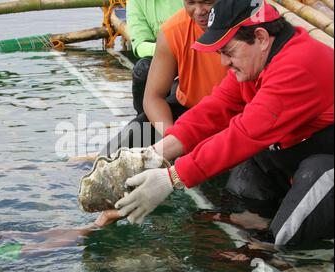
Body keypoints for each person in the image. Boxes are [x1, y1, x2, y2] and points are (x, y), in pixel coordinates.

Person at [115, 0, 334, 246]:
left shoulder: (298, 65)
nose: (223, 63)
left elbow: (243, 134)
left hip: (325, 162)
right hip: (303, 149)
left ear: (261, 37)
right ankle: (266, 218)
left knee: (280, 240)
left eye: (228, 52)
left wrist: (172, 177)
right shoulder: (260, 60)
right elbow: (215, 107)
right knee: (244, 181)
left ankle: (274, 246)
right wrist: (154, 154)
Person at [102, 0, 227, 155]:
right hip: (191, 110)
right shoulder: (173, 31)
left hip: (238, 115)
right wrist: (172, 137)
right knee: (112, 153)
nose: (199, 11)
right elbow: (153, 97)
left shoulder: (251, 26)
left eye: (207, 2)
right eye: (191, 3)